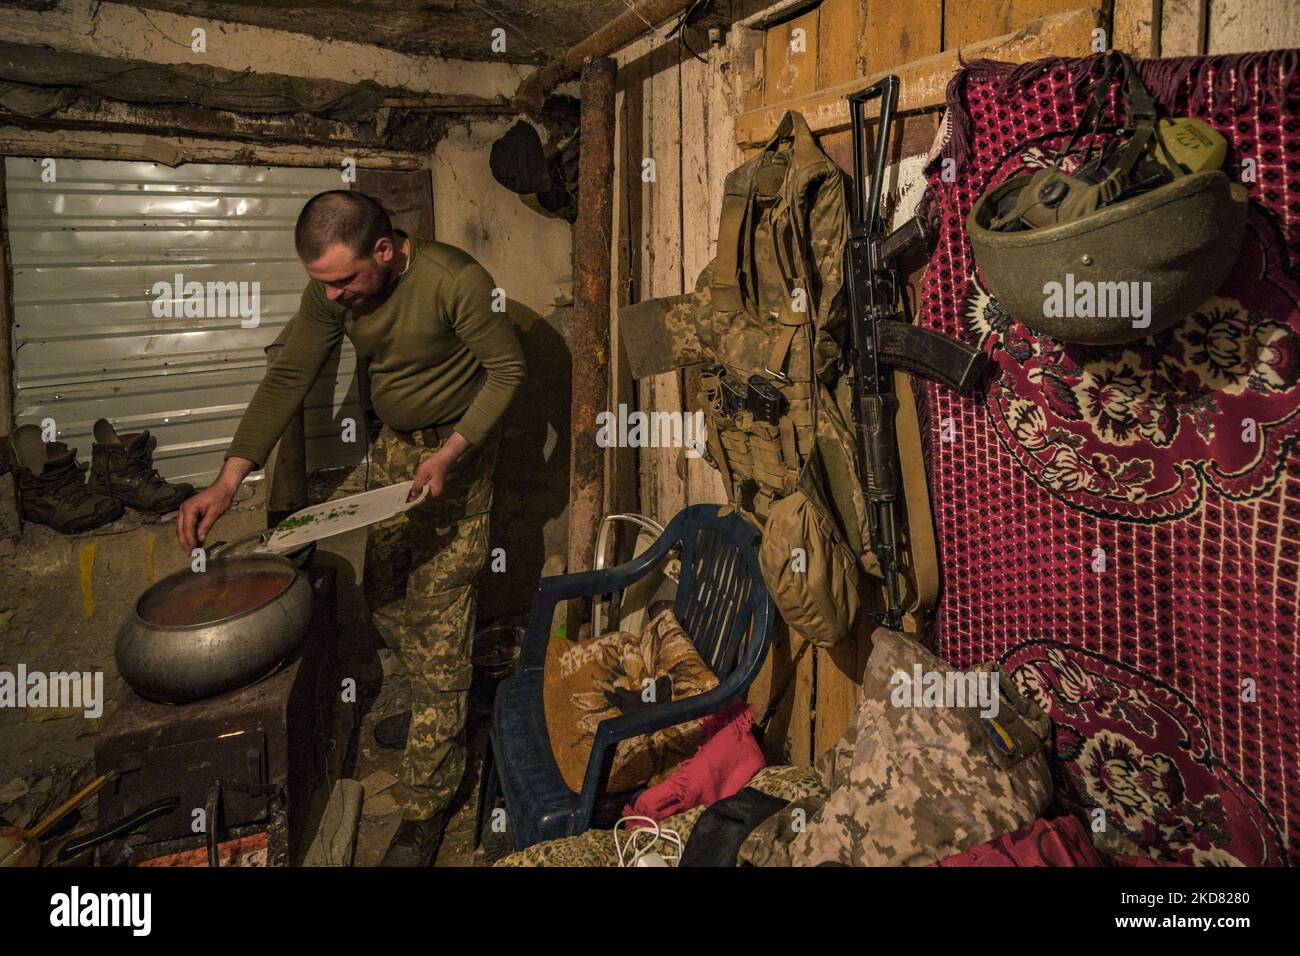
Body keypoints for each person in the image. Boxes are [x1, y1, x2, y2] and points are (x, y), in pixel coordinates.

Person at [177, 190, 526, 865]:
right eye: (322, 285)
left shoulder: (455, 280)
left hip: (459, 450)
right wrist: (228, 479)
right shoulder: (333, 293)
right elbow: (289, 378)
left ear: (387, 250)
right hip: (398, 449)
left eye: (343, 280)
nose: (333, 298)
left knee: (441, 612)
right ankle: (442, 708)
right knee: (386, 596)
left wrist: (453, 453)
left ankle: (428, 801)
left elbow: (508, 369)